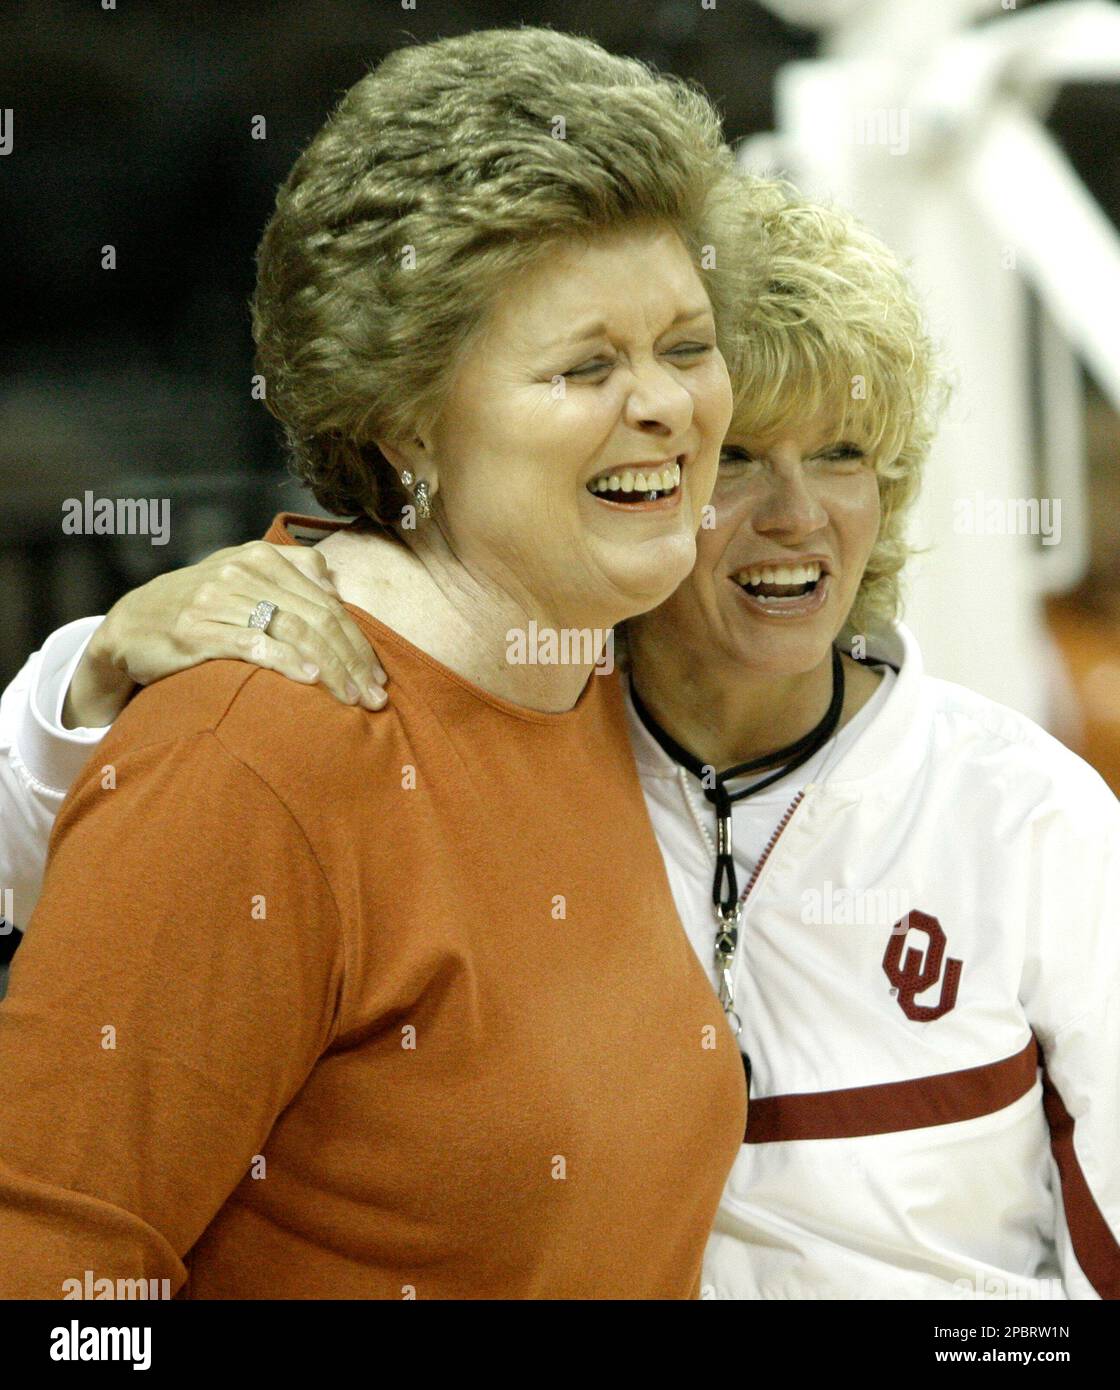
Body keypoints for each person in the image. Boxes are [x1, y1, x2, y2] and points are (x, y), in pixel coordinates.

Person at [7, 179, 1118, 1299]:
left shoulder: (1033, 820)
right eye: (736, 459)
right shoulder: (506, 728)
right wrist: (91, 674)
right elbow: (85, 888)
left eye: (843, 454)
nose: (795, 514)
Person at [0, 27, 748, 1299]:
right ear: (408, 423)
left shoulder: (601, 666)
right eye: (586, 366)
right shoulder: (260, 750)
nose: (669, 405)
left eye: (685, 346)